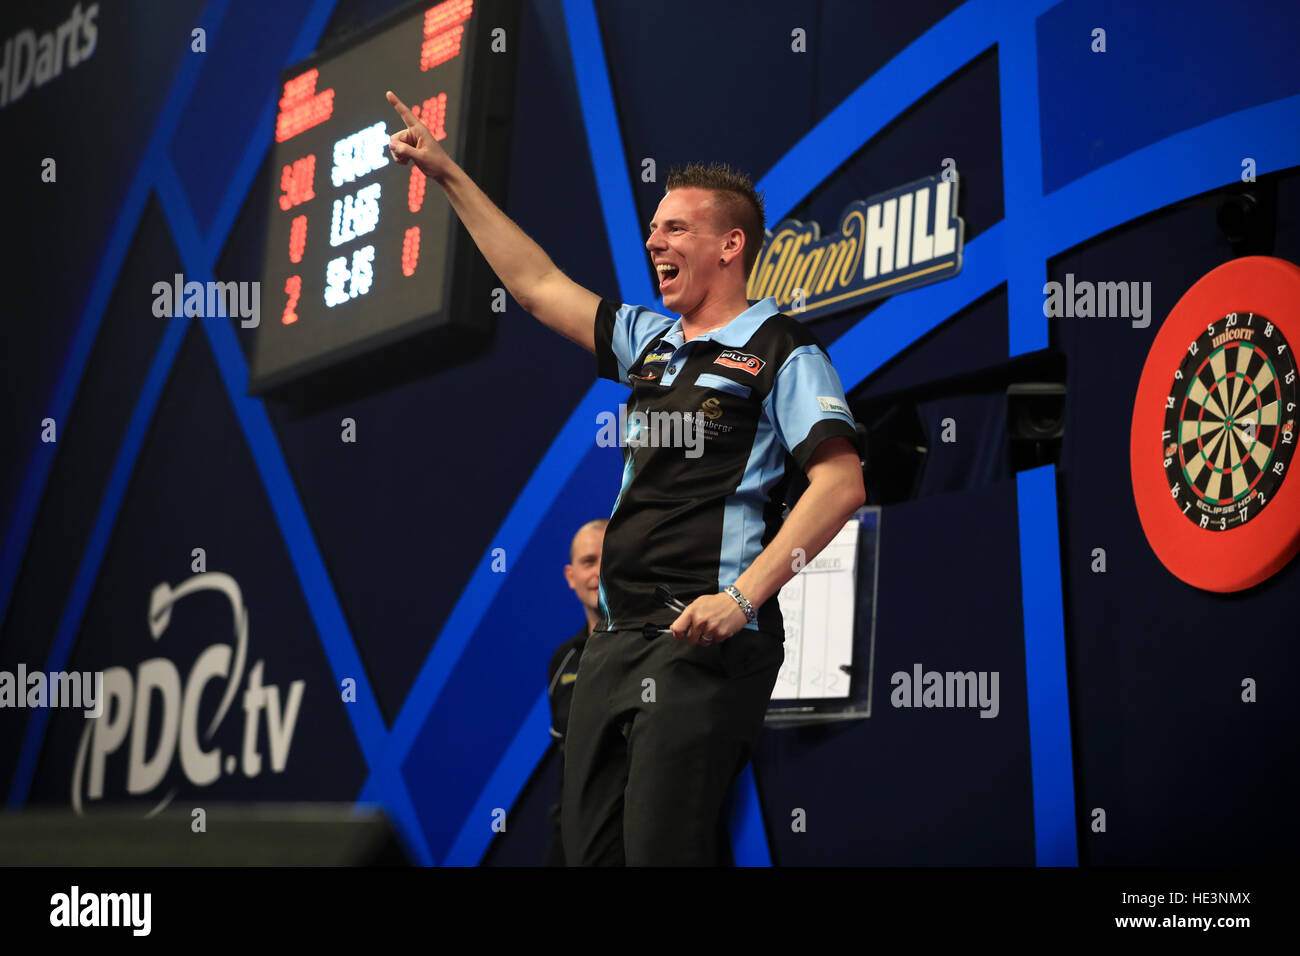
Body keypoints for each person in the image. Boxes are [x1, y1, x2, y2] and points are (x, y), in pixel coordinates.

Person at [386, 90, 866, 865]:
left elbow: (841, 485)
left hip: (700, 638)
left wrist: (742, 600)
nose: (654, 240)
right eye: (652, 228)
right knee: (589, 857)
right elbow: (537, 285)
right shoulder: (650, 341)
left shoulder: (783, 349)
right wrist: (447, 174)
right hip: (611, 644)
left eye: (674, 228)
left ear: (730, 245)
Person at [543, 519, 606, 866]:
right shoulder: (563, 660)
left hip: (640, 834)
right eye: (588, 561)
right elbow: (568, 749)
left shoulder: (660, 647)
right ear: (571, 576)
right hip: (574, 834)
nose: (599, 571)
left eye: (610, 559)